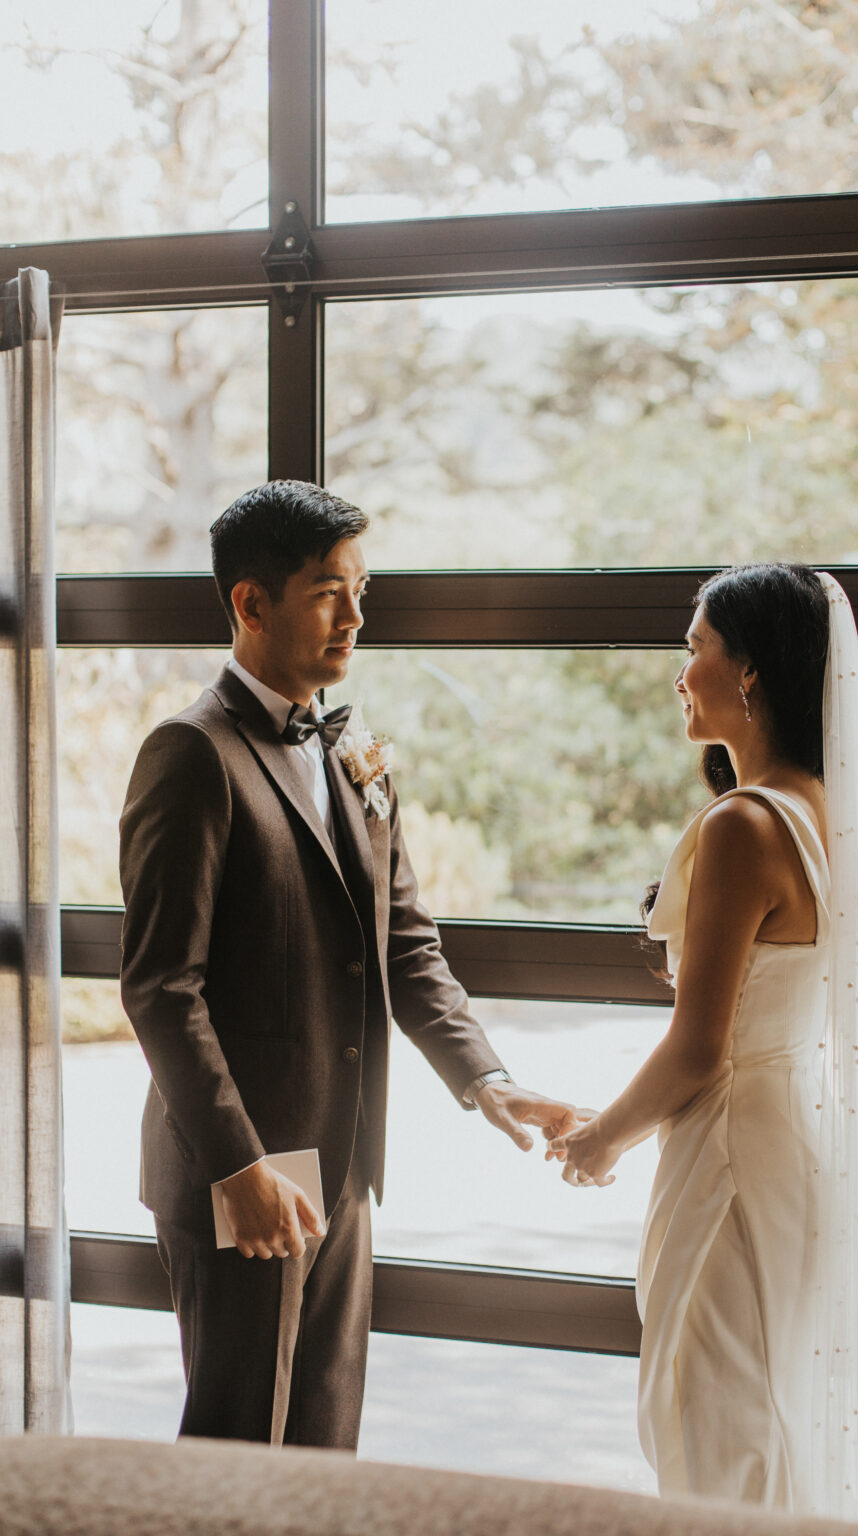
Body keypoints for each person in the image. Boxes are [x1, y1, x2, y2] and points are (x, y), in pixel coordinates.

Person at [119, 479, 574, 1450]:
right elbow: (163, 987)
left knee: (324, 1448)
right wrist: (239, 1164)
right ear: (251, 603)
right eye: (329, 590)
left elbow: (404, 944)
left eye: (360, 589)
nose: (356, 617)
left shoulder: (349, 744)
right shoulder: (189, 754)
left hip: (342, 1163)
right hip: (242, 1170)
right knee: (238, 1455)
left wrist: (485, 1079)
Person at [549, 564, 858, 1534]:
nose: (682, 674)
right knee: (765, 1423)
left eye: (695, 649)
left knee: (706, 1425)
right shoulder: (823, 813)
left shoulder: (741, 826)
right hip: (795, 1151)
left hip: (726, 1153)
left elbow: (698, 1051)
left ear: (748, 670)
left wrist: (601, 1141)